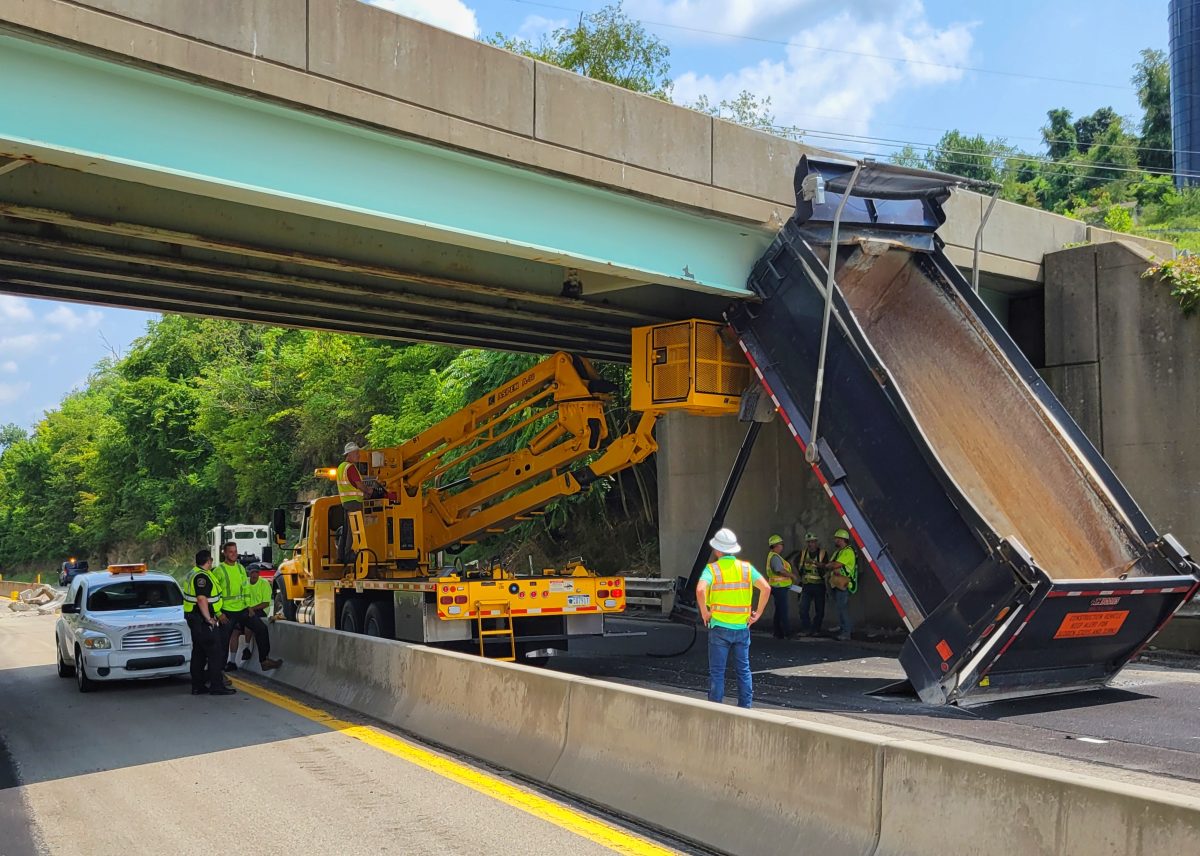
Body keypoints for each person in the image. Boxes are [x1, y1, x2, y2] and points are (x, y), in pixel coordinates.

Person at [695, 527, 772, 709]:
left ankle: (716, 709)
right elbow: (766, 588)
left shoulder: (712, 569)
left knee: (717, 672)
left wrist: (705, 612)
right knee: (743, 671)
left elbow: (700, 590)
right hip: (742, 628)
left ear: (718, 550)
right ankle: (745, 708)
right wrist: (758, 613)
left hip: (719, 628)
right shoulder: (746, 569)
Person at [182, 549, 234, 696]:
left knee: (199, 653)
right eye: (211, 561)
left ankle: (198, 686)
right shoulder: (201, 577)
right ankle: (216, 686)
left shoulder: (193, 572)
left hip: (195, 619)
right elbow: (201, 598)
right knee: (215, 652)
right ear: (209, 561)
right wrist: (208, 618)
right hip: (202, 620)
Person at [235, 566, 281, 670]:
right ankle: (232, 660)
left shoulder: (264, 584)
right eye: (252, 572)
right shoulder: (244, 583)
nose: (254, 574)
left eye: (256, 572)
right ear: (249, 573)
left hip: (259, 610)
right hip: (244, 610)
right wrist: (247, 608)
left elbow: (265, 603)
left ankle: (249, 650)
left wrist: (251, 608)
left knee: (252, 623)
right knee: (236, 631)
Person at [213, 541, 250, 671]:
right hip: (226, 612)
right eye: (231, 552)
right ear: (224, 553)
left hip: (242, 609)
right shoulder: (219, 570)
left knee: (261, 629)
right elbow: (214, 595)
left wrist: (248, 606)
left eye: (235, 551)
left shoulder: (241, 568)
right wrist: (218, 613)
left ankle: (264, 660)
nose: (234, 554)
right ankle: (220, 672)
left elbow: (246, 589)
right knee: (223, 643)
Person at [825, 528, 858, 641]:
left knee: (842, 608)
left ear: (843, 540)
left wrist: (832, 566)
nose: (835, 541)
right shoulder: (838, 552)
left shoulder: (848, 551)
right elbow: (830, 564)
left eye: (837, 539)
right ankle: (845, 629)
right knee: (840, 608)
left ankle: (846, 632)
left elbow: (834, 565)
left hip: (843, 585)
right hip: (836, 583)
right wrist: (832, 566)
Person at [337, 441, 367, 565]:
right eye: (356, 453)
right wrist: (369, 491)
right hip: (354, 502)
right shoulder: (351, 468)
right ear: (349, 454)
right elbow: (359, 485)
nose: (359, 455)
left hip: (346, 502)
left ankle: (342, 554)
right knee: (354, 529)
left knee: (347, 529)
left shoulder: (340, 467)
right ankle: (349, 554)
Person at [796, 532, 829, 637]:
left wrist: (815, 563)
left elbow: (827, 567)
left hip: (819, 585)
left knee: (819, 609)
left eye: (813, 542)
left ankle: (816, 629)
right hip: (806, 585)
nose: (811, 544)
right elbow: (796, 564)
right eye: (809, 542)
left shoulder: (823, 553)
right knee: (803, 608)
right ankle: (807, 629)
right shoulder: (802, 553)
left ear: (816, 543)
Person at [764, 534, 795, 638]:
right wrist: (792, 575)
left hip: (777, 586)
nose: (782, 546)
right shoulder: (775, 557)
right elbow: (779, 570)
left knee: (779, 611)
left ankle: (778, 632)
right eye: (781, 544)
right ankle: (787, 633)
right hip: (779, 587)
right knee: (783, 611)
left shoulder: (772, 556)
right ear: (776, 545)